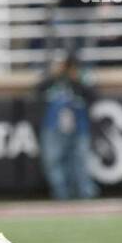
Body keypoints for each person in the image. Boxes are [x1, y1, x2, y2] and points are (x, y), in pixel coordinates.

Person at [36, 49, 98, 201]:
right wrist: (54, 75)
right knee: (53, 161)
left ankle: (85, 194)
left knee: (80, 162)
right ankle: (62, 195)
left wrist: (75, 79)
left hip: (79, 125)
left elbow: (93, 96)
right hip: (54, 126)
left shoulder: (84, 76)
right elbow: (38, 89)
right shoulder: (50, 77)